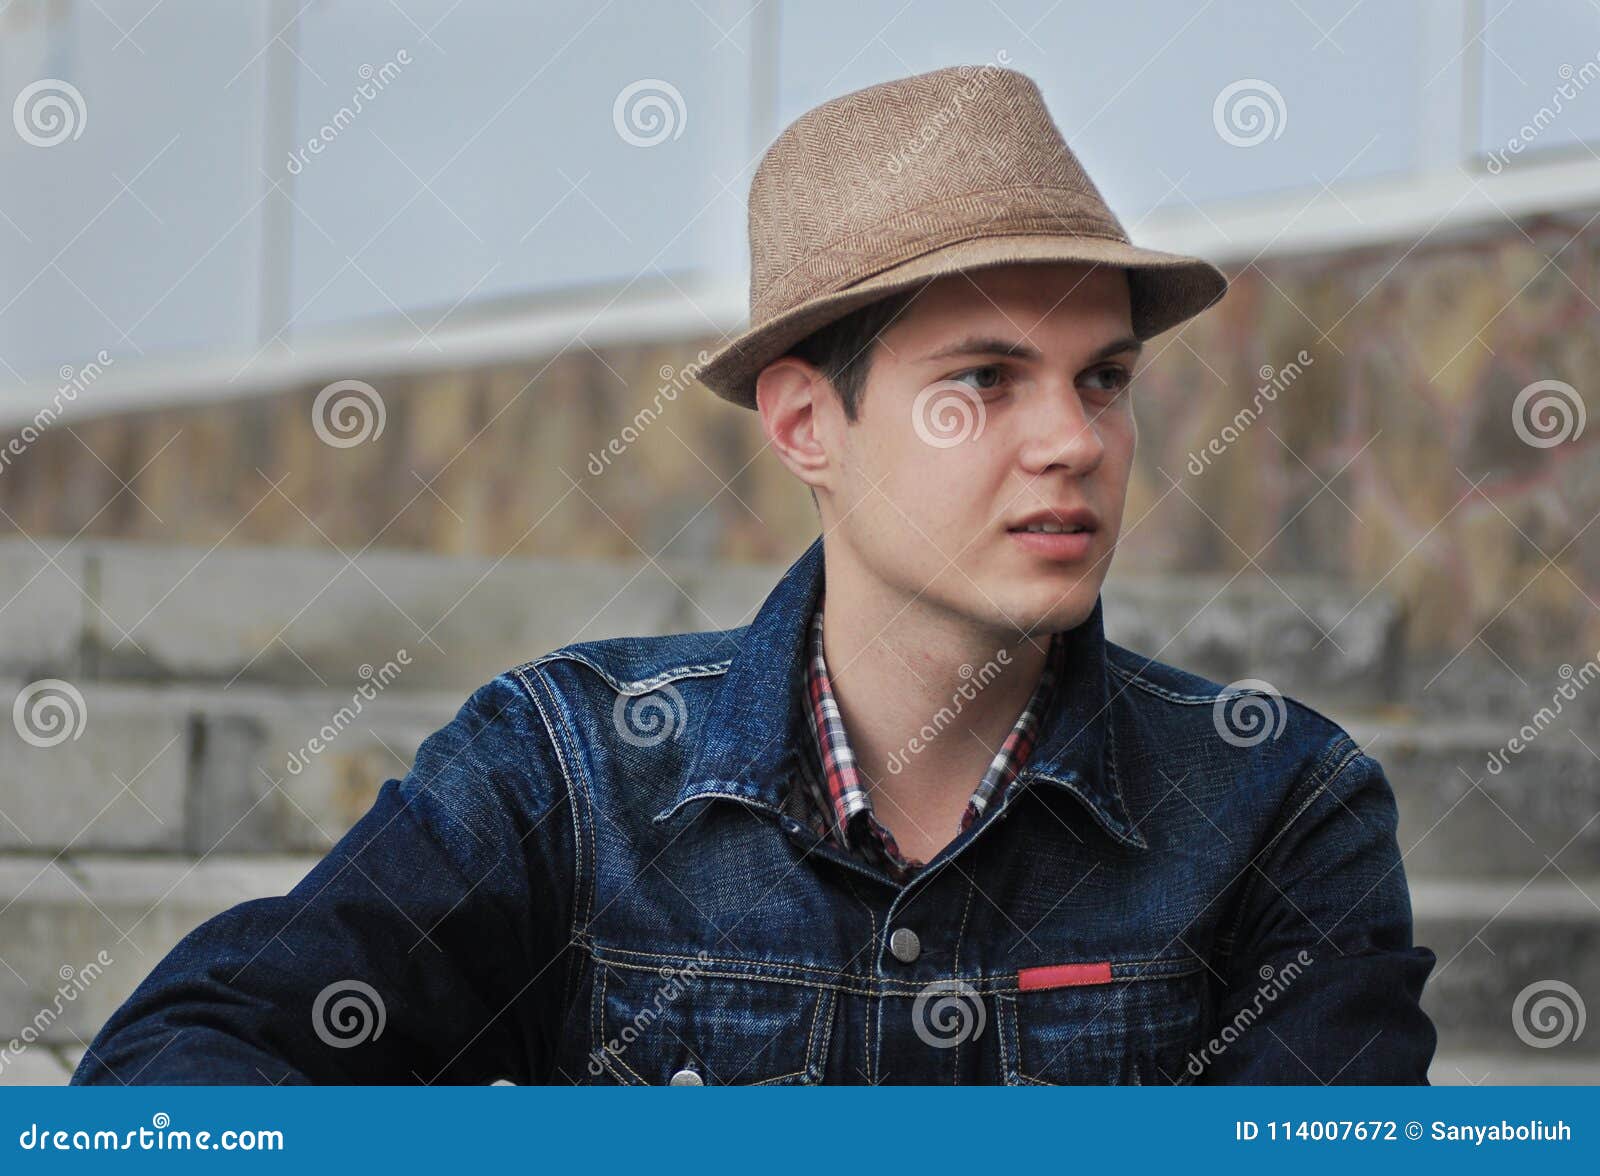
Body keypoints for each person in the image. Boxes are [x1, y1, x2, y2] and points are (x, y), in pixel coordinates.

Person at [75, 64, 1436, 1086]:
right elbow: (179, 1070)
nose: (1074, 442)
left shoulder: (1279, 809)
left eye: (1105, 379)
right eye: (985, 382)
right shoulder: (567, 772)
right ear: (804, 427)